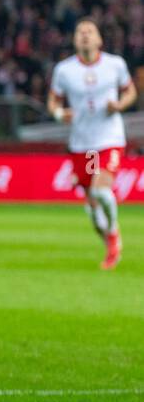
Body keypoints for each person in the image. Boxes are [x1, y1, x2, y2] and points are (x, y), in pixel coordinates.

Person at [48, 18, 137, 269]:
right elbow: (53, 102)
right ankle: (109, 238)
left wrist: (119, 105)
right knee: (92, 208)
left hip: (109, 138)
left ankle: (114, 231)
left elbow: (130, 91)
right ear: (75, 40)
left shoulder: (114, 64)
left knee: (101, 190)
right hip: (82, 144)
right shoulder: (64, 70)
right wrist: (58, 114)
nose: (85, 35)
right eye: (80, 32)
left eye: (90, 31)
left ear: (99, 39)